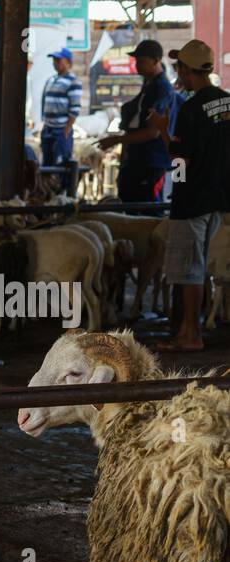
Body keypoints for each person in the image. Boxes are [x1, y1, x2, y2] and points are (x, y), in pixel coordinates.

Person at [147, 39, 230, 351]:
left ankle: (189, 335)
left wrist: (163, 130)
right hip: (219, 201)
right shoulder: (227, 102)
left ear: (186, 69)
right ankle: (188, 331)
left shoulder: (191, 108)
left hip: (192, 202)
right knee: (198, 266)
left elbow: (180, 159)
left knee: (189, 271)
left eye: (178, 65)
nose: (176, 71)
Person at [97, 39, 177, 205]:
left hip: (151, 162)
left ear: (156, 61)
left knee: (148, 210)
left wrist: (117, 139)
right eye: (136, 61)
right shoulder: (149, 85)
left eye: (141, 61)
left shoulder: (162, 89)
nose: (137, 65)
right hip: (137, 160)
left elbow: (152, 131)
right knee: (129, 206)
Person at [40, 48, 81, 166]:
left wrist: (66, 130)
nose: (55, 63)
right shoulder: (50, 80)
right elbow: (45, 104)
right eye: (54, 60)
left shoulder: (73, 81)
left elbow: (75, 108)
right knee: (46, 166)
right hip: (47, 130)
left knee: (61, 166)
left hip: (61, 130)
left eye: (58, 60)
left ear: (68, 62)